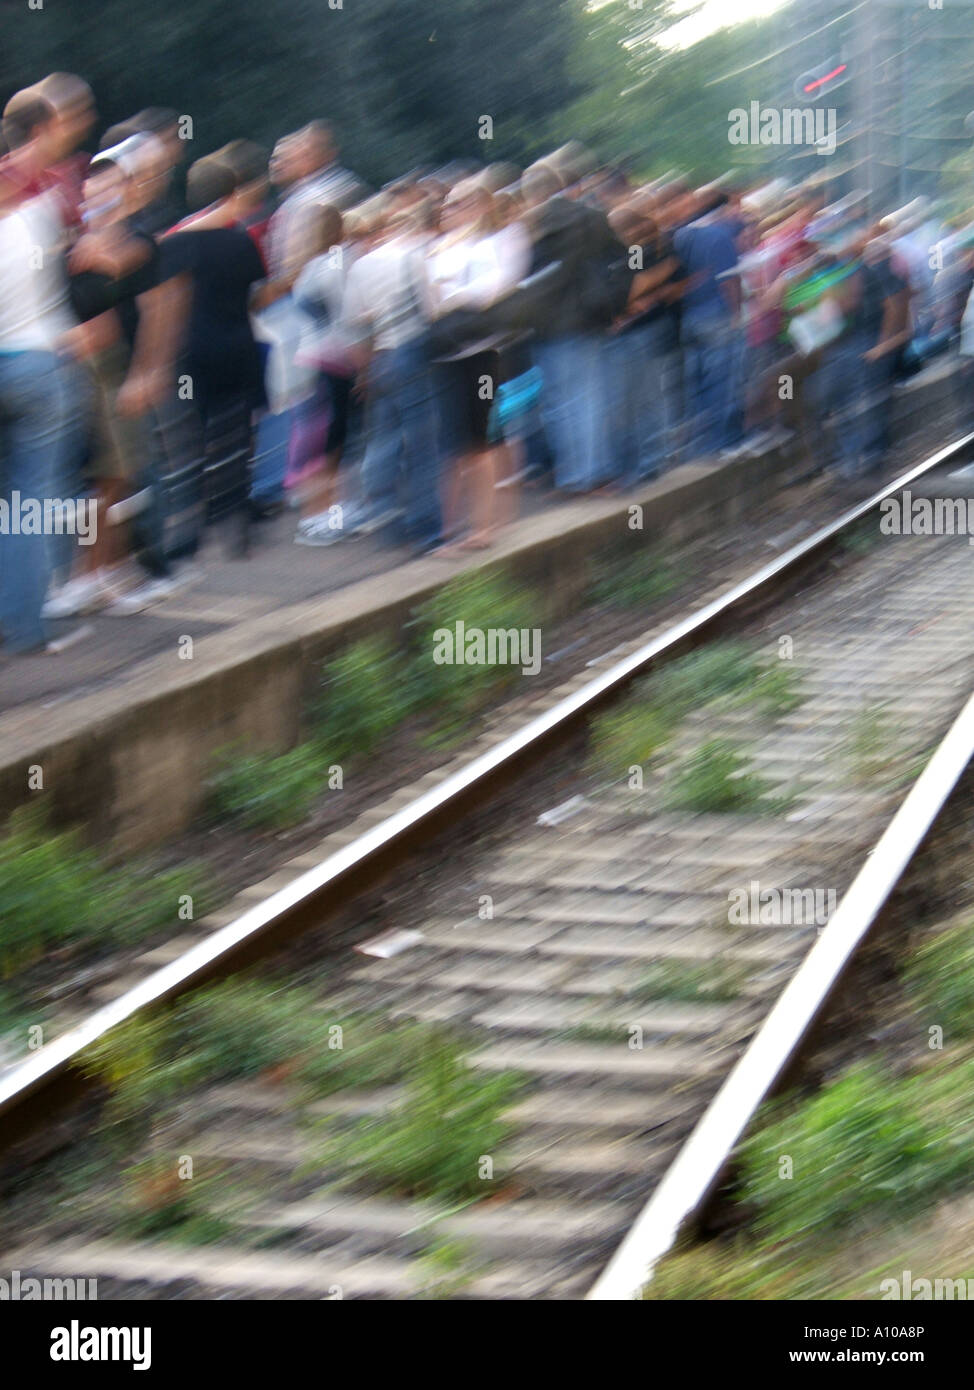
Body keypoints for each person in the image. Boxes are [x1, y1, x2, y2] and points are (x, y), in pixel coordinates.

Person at [341, 198, 442, 552]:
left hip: (379, 358)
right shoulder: (413, 257)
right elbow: (431, 311)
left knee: (381, 439)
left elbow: (355, 321)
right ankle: (426, 528)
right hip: (412, 353)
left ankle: (384, 515)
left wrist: (363, 369)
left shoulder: (360, 265)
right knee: (421, 445)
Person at [519, 160, 625, 493]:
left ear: (531, 193)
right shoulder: (592, 217)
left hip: (546, 326)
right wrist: (616, 302)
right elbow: (624, 259)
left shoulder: (531, 226)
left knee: (556, 403)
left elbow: (522, 280)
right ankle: (594, 472)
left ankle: (572, 475)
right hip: (589, 320)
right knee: (590, 397)